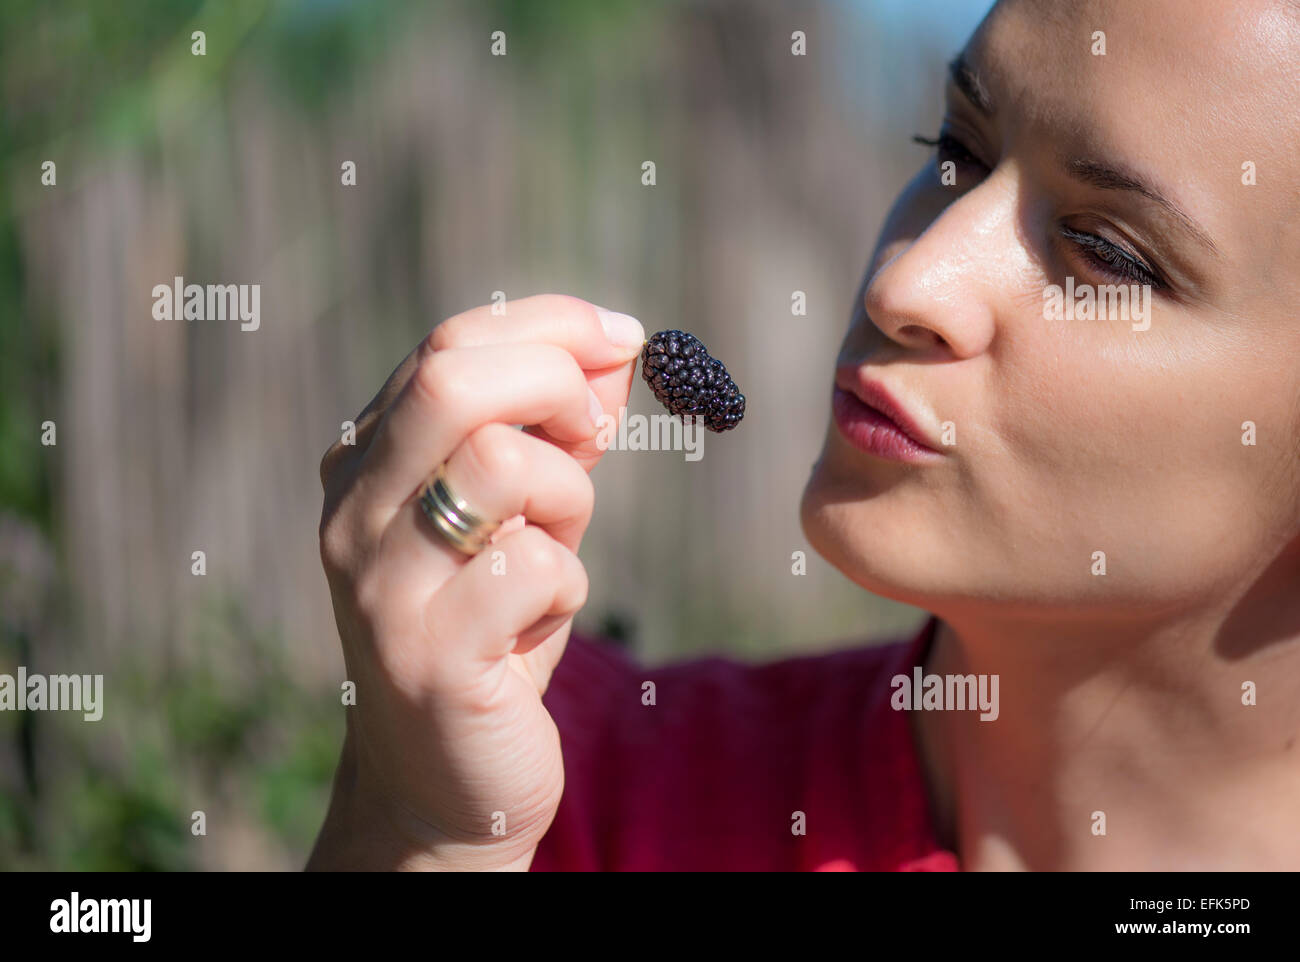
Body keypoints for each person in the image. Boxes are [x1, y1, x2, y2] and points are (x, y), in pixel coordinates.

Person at [306, 0, 1300, 871]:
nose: (905, 284)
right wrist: (413, 834)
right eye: (956, 152)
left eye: (1105, 251)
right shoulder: (569, 792)